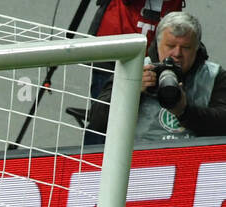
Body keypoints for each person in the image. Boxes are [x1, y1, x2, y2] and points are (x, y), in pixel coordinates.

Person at [88, 11, 226, 142]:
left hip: (194, 158)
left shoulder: (214, 76)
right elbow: (97, 122)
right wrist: (130, 91)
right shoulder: (134, 70)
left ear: (196, 48)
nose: (177, 53)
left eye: (186, 47)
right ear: (158, 44)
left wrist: (185, 112)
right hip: (138, 156)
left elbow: (222, 124)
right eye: (170, 46)